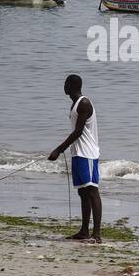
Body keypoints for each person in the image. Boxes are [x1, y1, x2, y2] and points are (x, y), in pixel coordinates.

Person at [46, 75, 102, 243]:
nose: (64, 86)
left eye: (65, 83)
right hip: (78, 153)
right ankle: (84, 231)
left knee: (92, 191)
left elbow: (78, 132)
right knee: (82, 192)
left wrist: (58, 149)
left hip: (88, 153)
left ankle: (97, 234)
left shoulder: (84, 103)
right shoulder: (75, 104)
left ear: (72, 85)